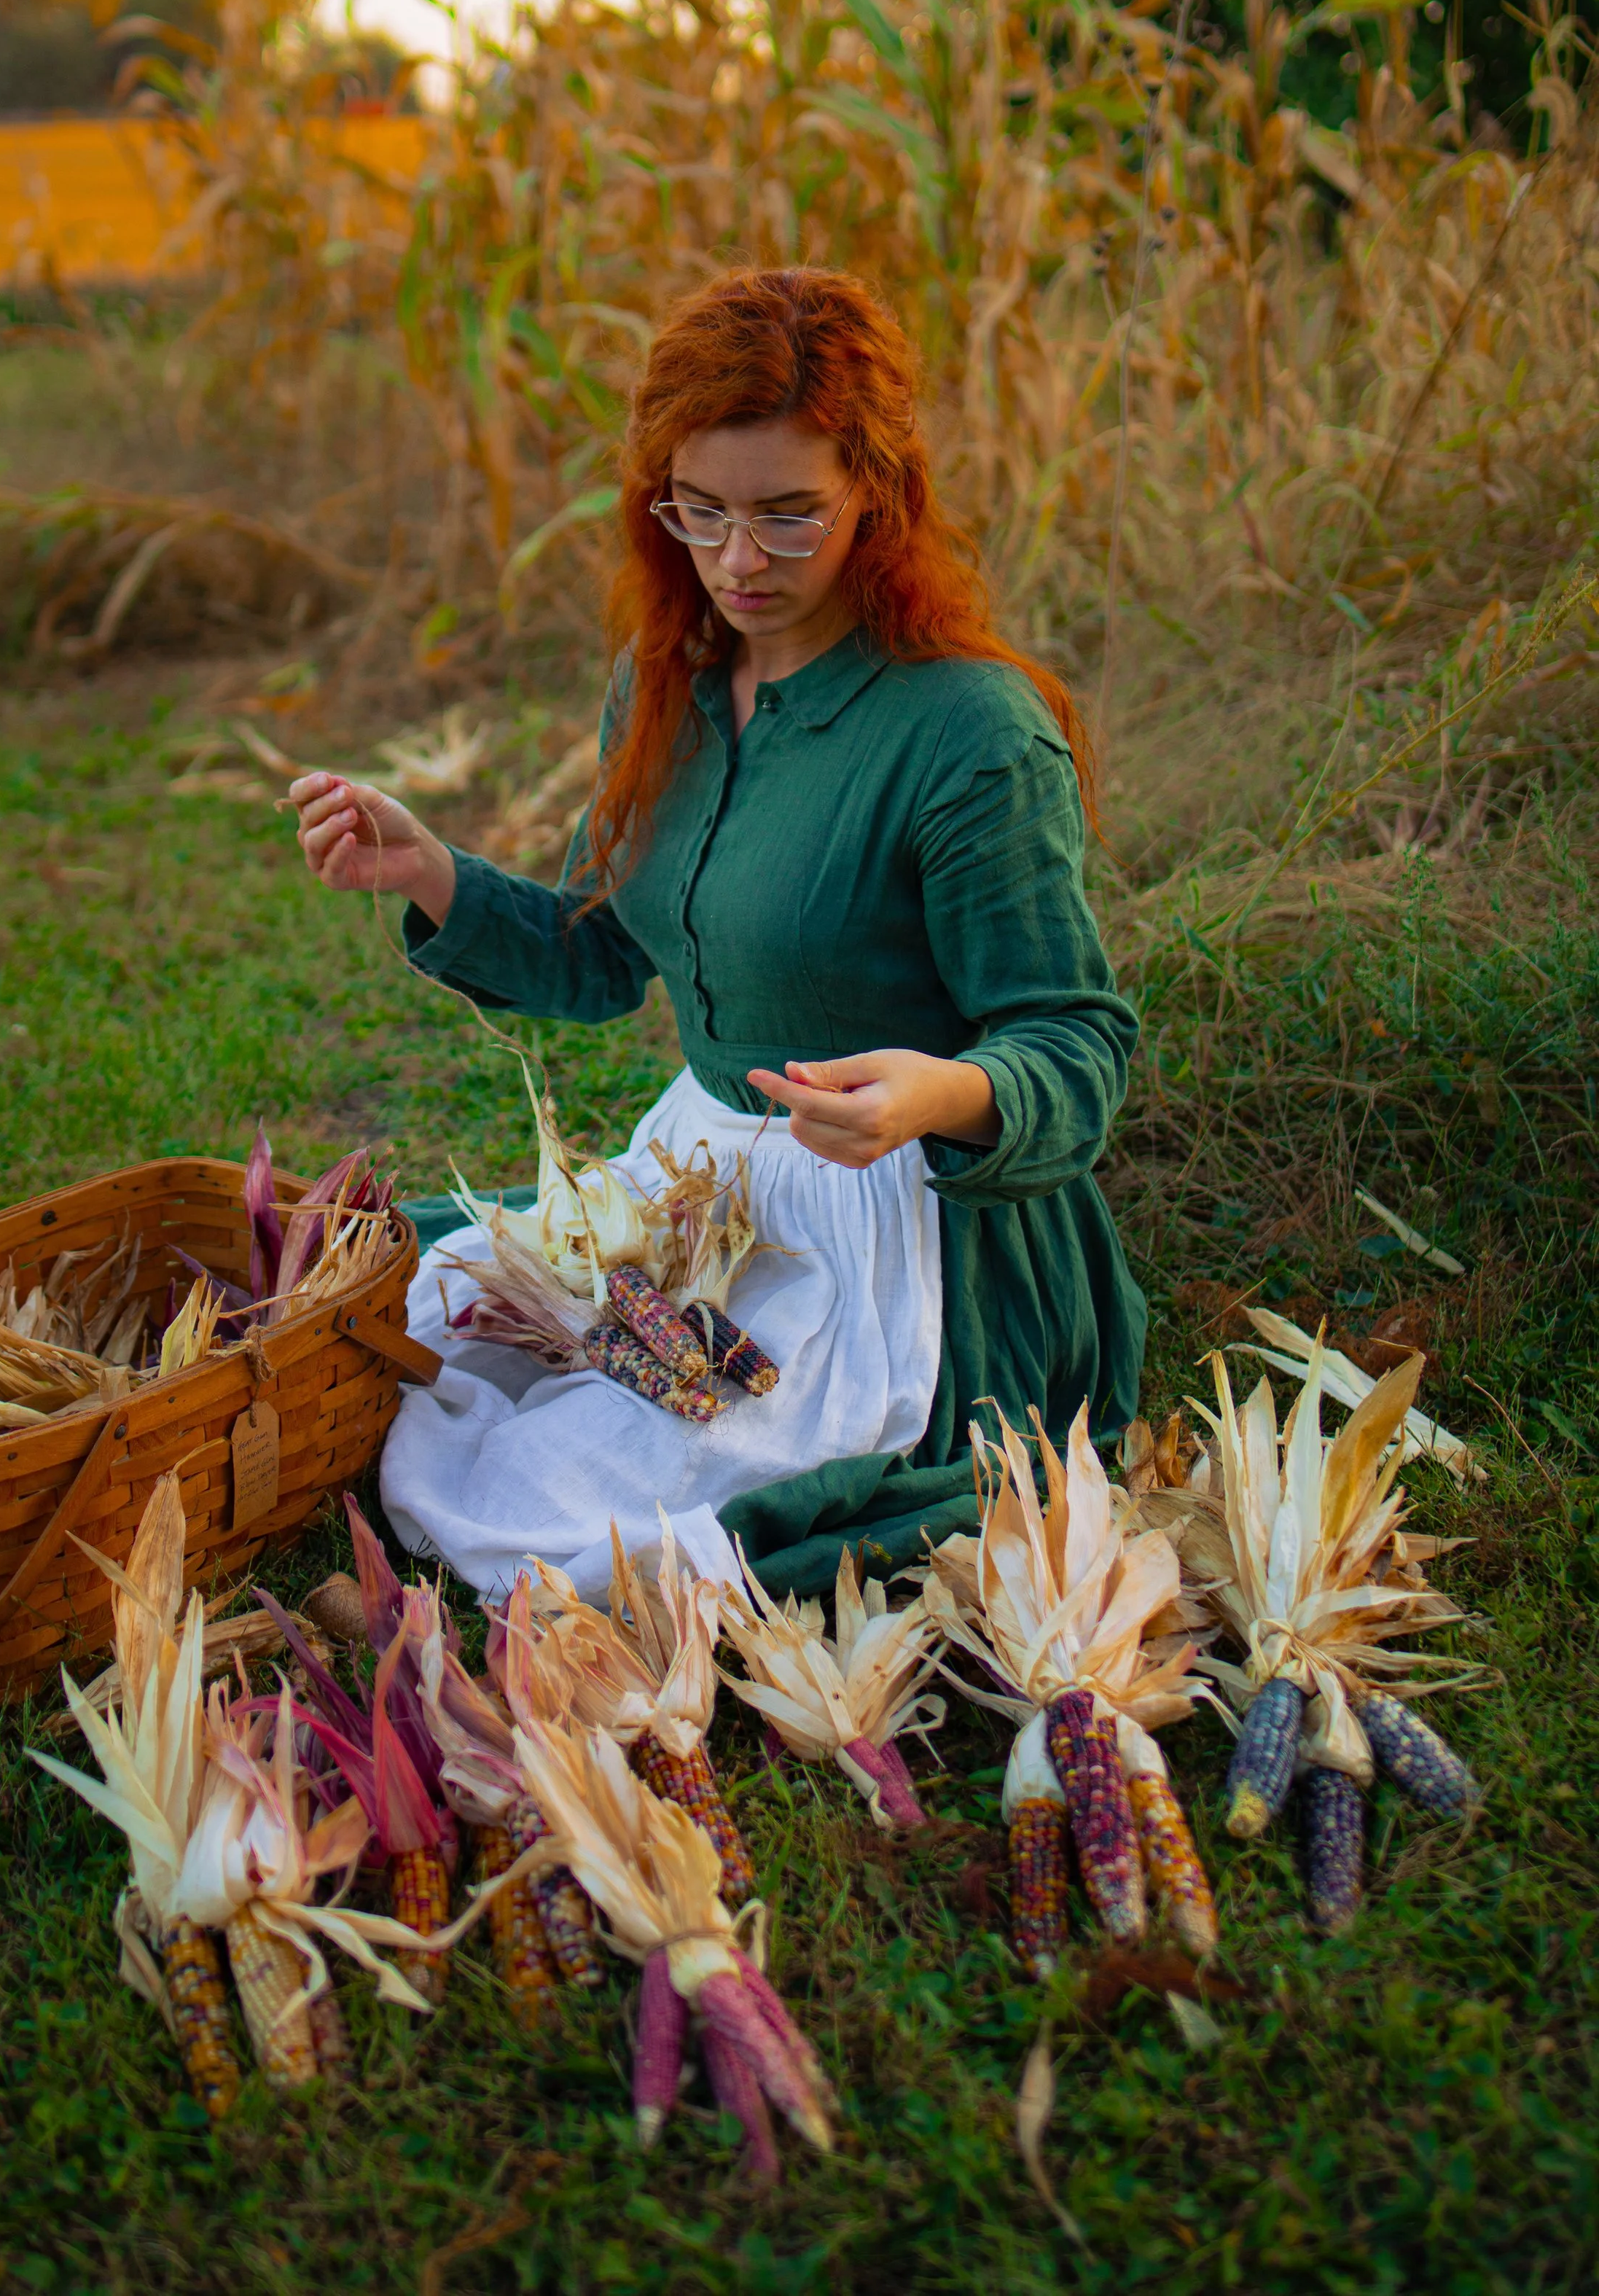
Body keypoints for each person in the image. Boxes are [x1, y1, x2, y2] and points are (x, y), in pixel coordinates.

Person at [288, 267, 1143, 1600]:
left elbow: (1078, 1049)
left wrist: (945, 1092)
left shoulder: (971, 735)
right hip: (699, 1196)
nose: (740, 561)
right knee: (436, 1319)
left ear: (879, 491)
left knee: (586, 1493)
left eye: (791, 516)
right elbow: (596, 956)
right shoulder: (668, 683)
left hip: (893, 1233)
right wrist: (434, 870)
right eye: (704, 512)